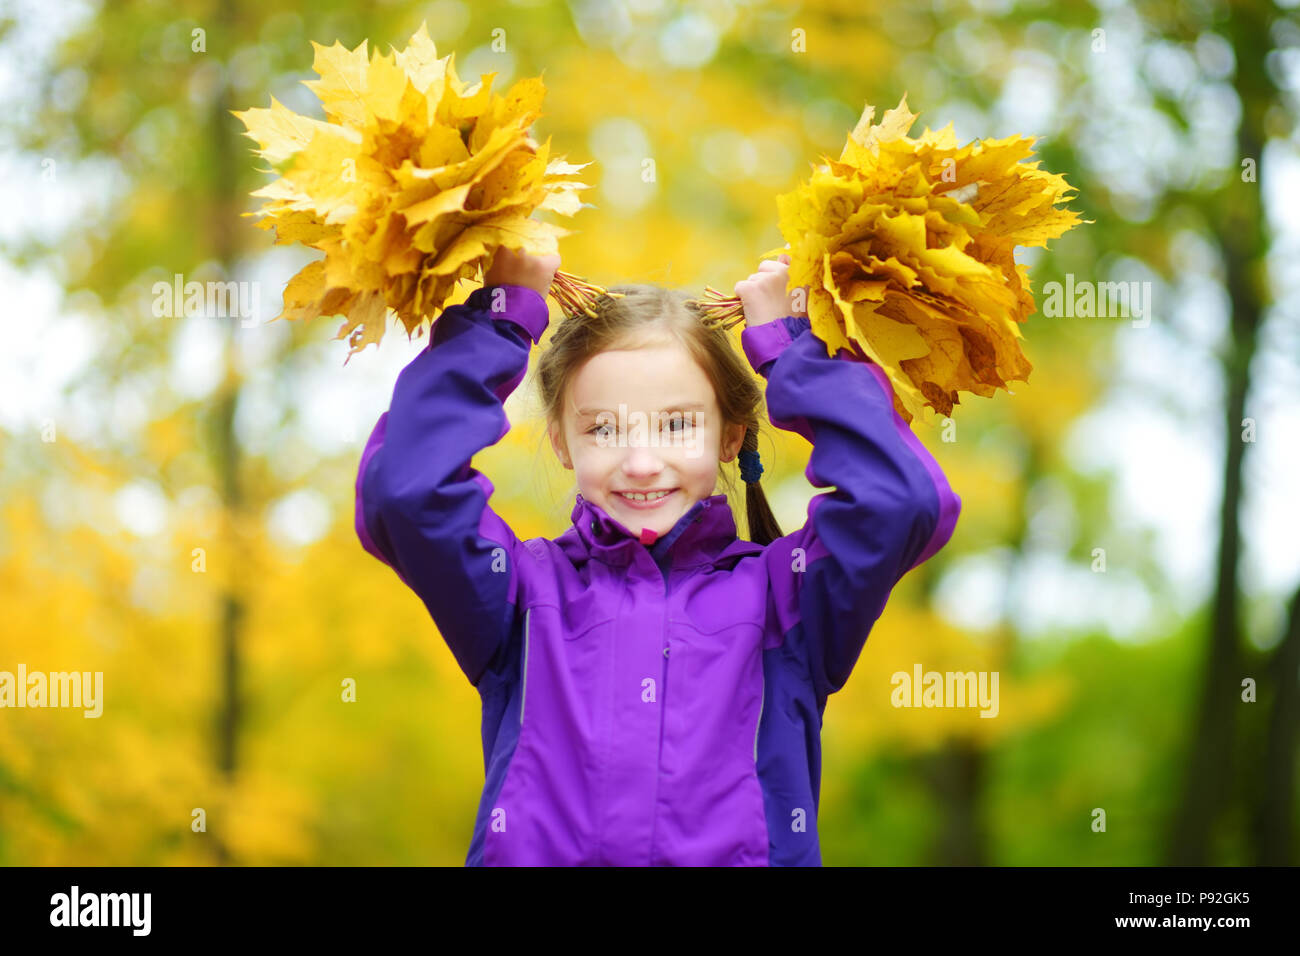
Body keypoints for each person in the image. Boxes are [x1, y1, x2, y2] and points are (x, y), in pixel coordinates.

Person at [354, 245, 961, 865]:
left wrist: (792, 348)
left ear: (731, 436)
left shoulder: (789, 601)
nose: (641, 462)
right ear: (562, 442)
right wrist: (502, 316)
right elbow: (406, 492)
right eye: (603, 429)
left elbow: (901, 503)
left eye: (677, 425)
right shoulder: (520, 595)